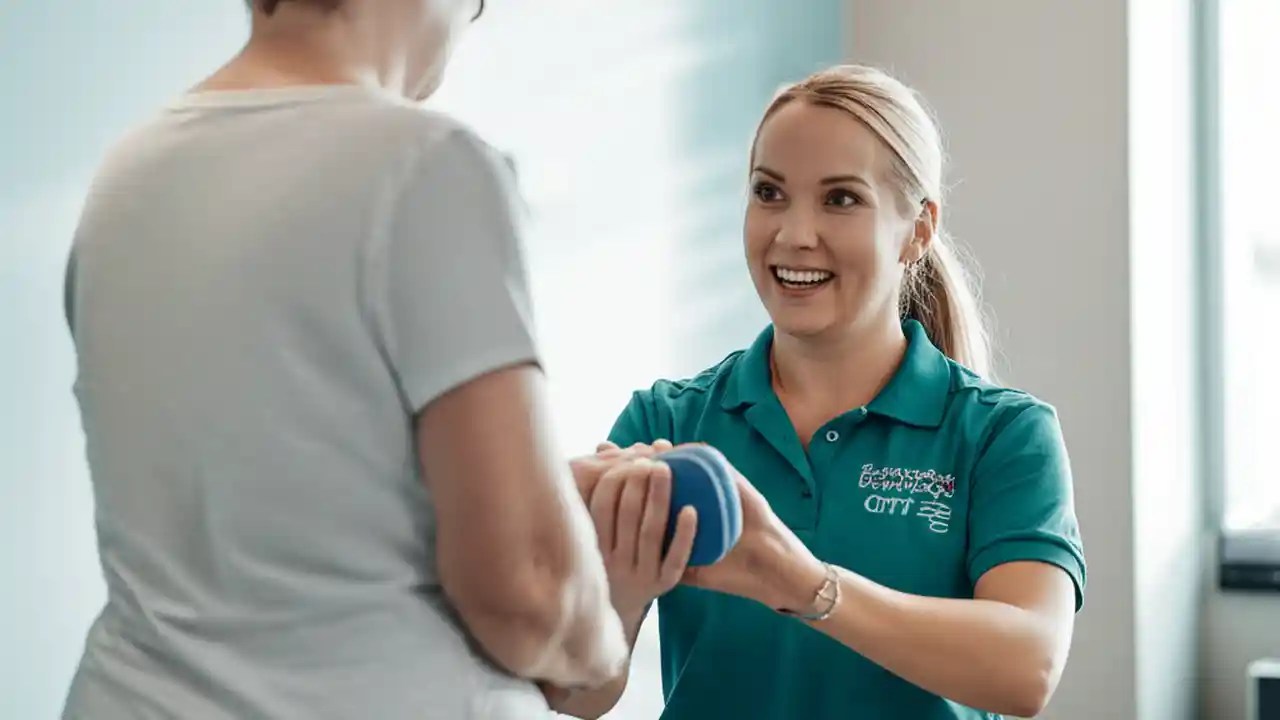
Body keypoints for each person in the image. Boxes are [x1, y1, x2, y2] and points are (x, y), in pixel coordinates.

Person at [60, 1, 634, 717]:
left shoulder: (124, 174)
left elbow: (276, 493)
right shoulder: (427, 165)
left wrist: (539, 493)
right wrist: (603, 636)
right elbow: (529, 593)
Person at [546, 65, 1087, 720]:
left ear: (917, 230)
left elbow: (1025, 670)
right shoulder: (668, 421)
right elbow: (578, 694)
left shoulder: (1003, 435)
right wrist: (623, 592)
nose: (795, 234)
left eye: (840, 199)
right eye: (769, 192)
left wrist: (802, 583)